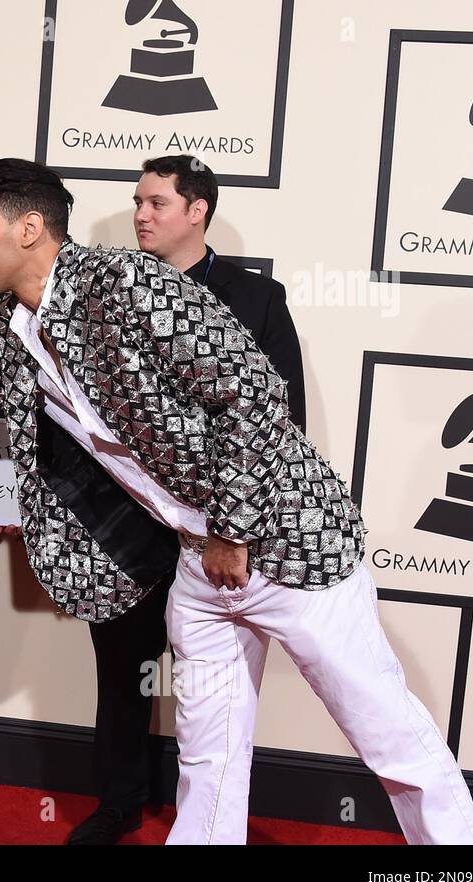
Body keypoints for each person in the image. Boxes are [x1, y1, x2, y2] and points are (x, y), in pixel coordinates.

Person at [0, 158, 473, 845]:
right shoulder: (14, 330)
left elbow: (253, 389)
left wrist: (233, 531)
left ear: (28, 230)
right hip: (198, 563)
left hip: (287, 544)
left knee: (388, 736)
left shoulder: (124, 283)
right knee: (208, 760)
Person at [64, 154, 309, 845]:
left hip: (218, 530)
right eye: (137, 202)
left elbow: (280, 420)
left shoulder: (257, 298)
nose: (140, 214)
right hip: (128, 520)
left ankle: (206, 817)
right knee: (121, 668)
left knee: (217, 690)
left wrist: (247, 525)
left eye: (156, 203)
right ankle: (118, 800)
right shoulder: (108, 292)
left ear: (197, 210)